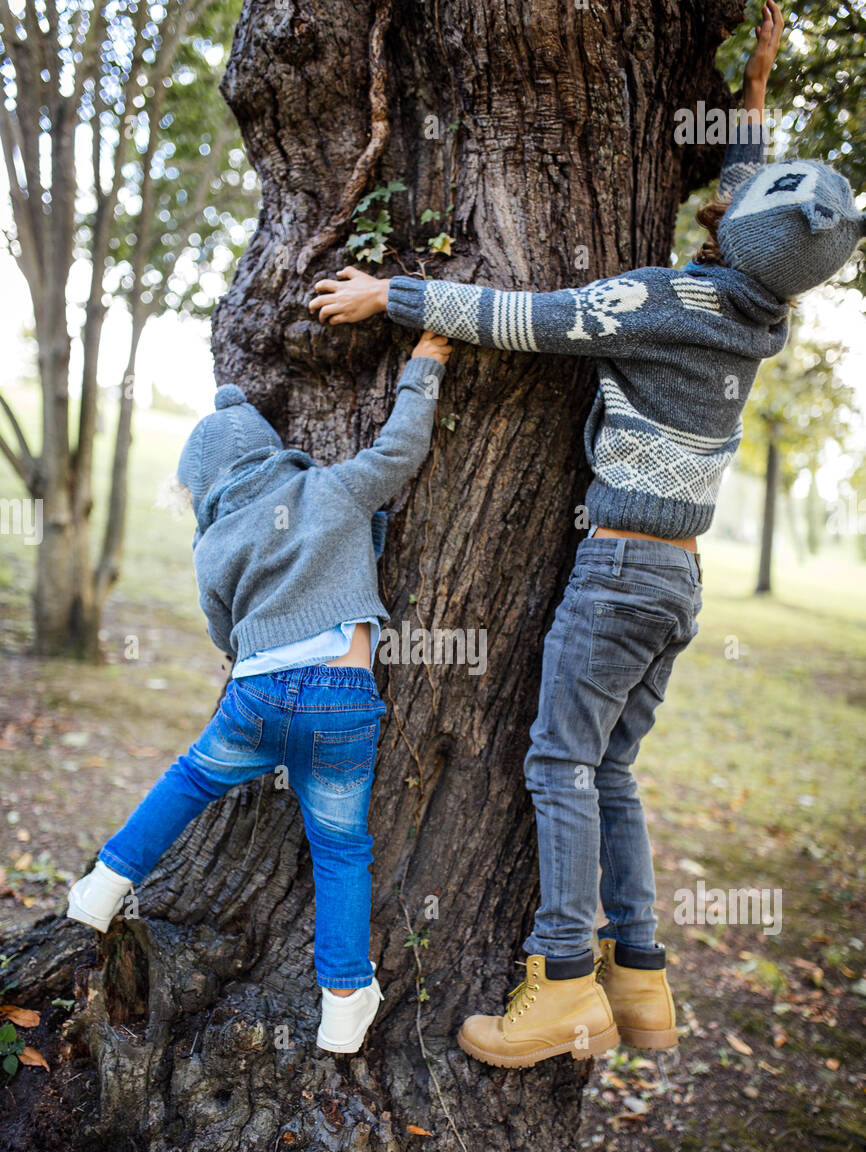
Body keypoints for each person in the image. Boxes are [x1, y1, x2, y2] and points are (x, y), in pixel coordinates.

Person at [309, 3, 865, 1068]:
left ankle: (562, 978)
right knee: (608, 771)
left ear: (734, 230)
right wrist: (750, 93)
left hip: (616, 572)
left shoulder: (662, 299)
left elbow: (529, 319)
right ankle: (640, 978)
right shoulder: (758, 314)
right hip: (676, 582)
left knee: (558, 763)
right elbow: (761, 216)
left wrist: (393, 293)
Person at [66, 330, 452, 1055]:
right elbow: (401, 452)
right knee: (340, 850)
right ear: (269, 450)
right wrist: (425, 367)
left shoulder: (211, 544)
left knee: (188, 781)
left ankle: (104, 884)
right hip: (342, 699)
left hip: (257, 697)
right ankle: (342, 1002)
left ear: (207, 484)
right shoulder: (328, 489)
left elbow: (224, 633)